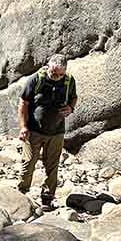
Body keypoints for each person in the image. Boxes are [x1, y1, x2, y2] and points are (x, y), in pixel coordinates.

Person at [17, 54, 78, 208]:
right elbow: (23, 103)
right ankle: (21, 194)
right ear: (48, 67)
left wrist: (71, 108)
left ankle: (47, 198)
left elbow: (74, 98)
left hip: (56, 132)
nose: (56, 77)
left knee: (52, 166)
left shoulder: (69, 82)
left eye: (60, 74)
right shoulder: (36, 79)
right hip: (34, 130)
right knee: (28, 162)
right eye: (53, 73)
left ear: (65, 72)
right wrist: (23, 127)